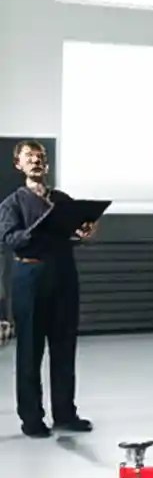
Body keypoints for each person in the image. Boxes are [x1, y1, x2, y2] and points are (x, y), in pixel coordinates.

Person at [0, 140, 96, 437]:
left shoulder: (64, 200)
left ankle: (65, 413)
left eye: (41, 157)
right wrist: (38, 229)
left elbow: (74, 233)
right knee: (30, 350)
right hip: (29, 276)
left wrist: (85, 231)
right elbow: (9, 238)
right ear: (19, 165)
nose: (37, 161)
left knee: (64, 348)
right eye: (29, 157)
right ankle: (32, 419)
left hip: (64, 276)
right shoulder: (11, 204)